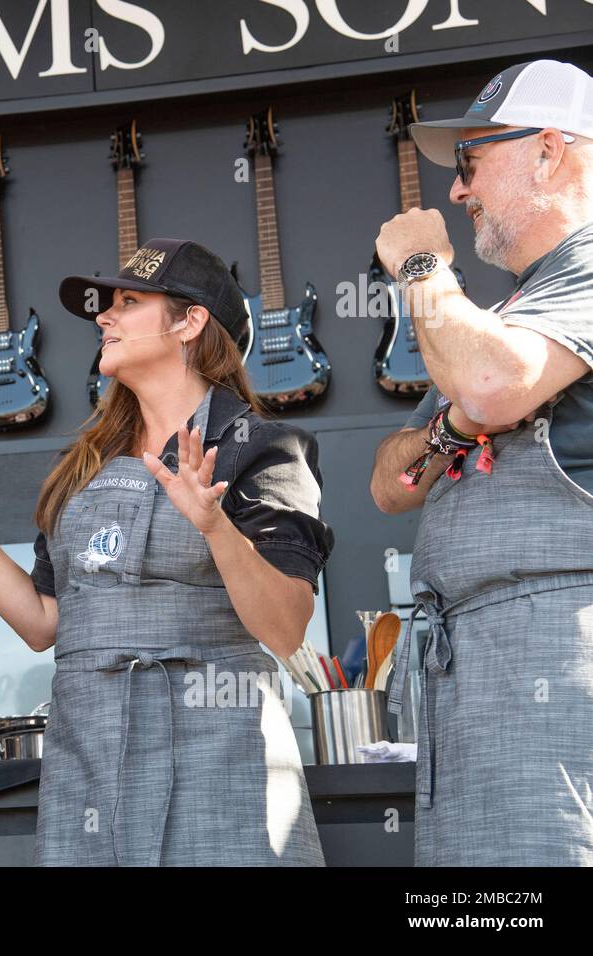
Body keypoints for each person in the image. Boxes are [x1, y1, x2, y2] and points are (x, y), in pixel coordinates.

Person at [0, 238, 334, 865]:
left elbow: (286, 629)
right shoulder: (83, 466)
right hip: (91, 762)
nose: (103, 317)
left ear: (190, 322)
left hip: (224, 760)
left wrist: (214, 527)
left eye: (128, 302)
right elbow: (44, 624)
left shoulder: (263, 447)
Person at [369, 60, 593, 865]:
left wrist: (426, 269)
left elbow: (495, 384)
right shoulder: (497, 314)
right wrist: (457, 420)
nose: (456, 193)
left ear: (548, 151)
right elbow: (391, 483)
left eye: (469, 161)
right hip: (470, 670)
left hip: (560, 654)